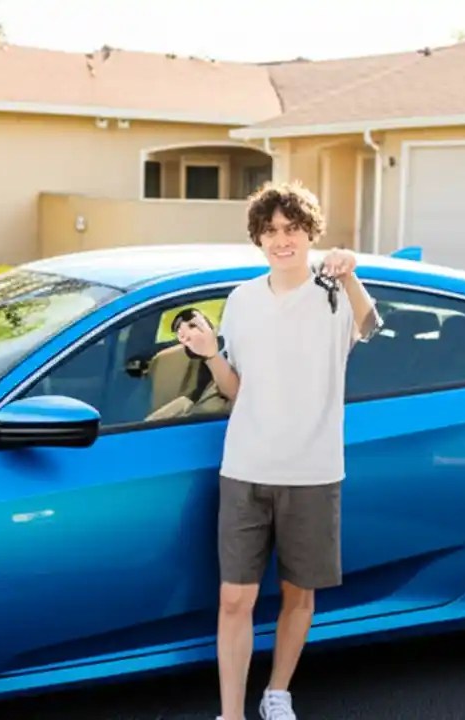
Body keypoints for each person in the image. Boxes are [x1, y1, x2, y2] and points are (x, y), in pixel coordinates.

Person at [176, 180, 381, 720]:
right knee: (234, 599)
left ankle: (277, 692)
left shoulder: (333, 292)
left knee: (299, 597)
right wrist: (208, 353)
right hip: (244, 470)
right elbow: (235, 389)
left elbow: (371, 324)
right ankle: (231, 713)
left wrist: (351, 269)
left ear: (310, 233)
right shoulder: (241, 301)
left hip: (313, 473)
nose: (281, 240)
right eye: (270, 231)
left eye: (292, 229)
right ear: (258, 239)